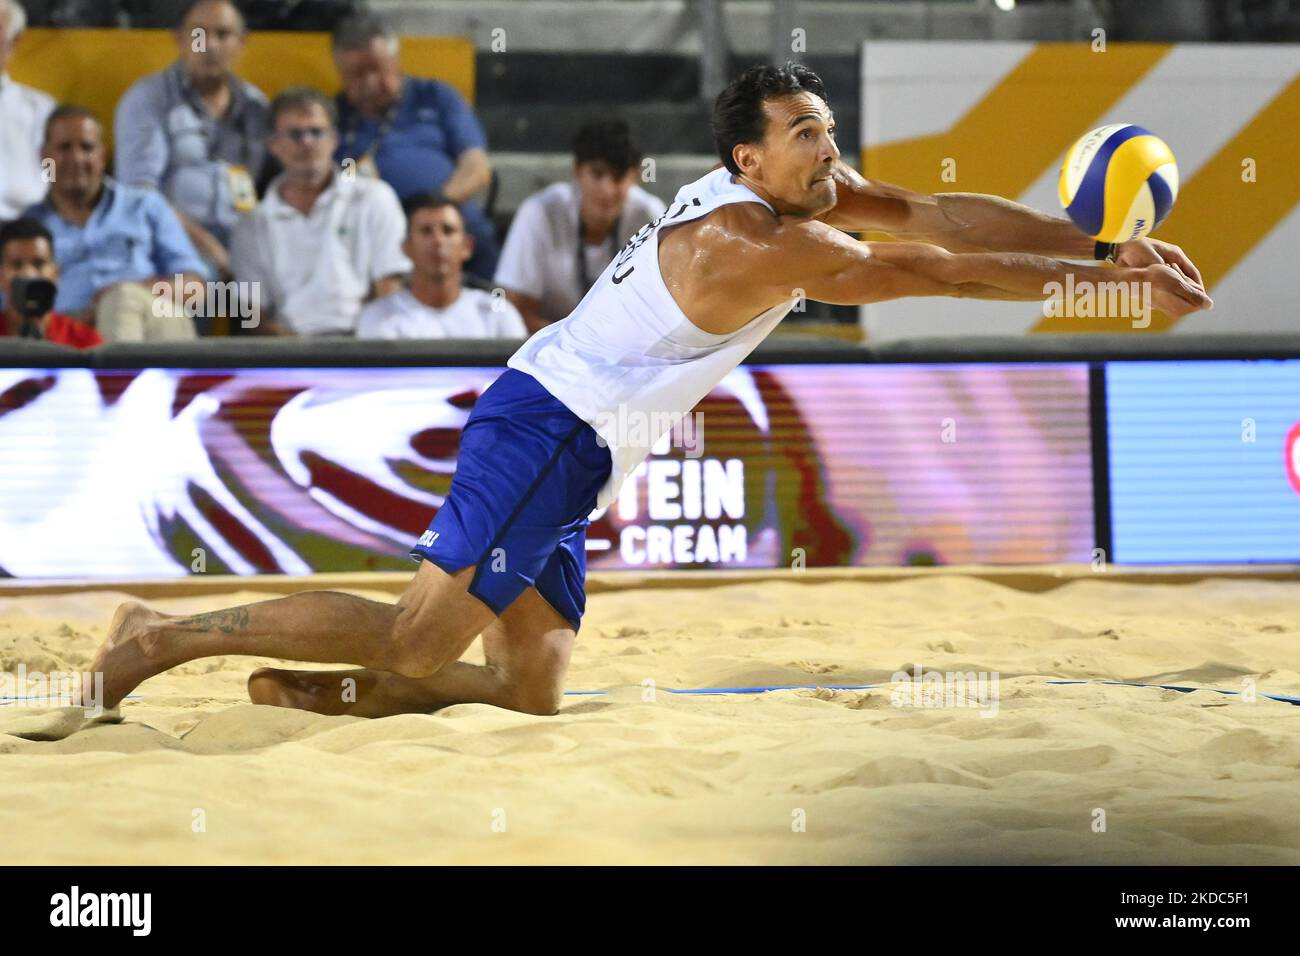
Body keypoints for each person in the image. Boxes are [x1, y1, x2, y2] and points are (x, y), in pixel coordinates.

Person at [82, 64, 1211, 720]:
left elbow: (943, 217)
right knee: (423, 641)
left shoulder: (796, 200)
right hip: (550, 425)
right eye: (803, 137)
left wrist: (1092, 235)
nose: (828, 153)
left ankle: (318, 697)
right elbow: (936, 270)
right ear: (744, 165)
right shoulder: (745, 240)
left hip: (583, 441)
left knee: (528, 689)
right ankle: (157, 637)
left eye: (826, 131)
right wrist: (1102, 276)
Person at [330, 11, 499, 283]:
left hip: (450, 222)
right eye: (357, 74)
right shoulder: (333, 118)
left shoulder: (435, 96)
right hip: (374, 239)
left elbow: (477, 168)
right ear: (340, 74)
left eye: (377, 68)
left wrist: (429, 214)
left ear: (396, 62)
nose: (370, 83)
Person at [228, 87, 410, 336]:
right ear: (273, 144)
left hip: (370, 345)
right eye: (295, 134)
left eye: (316, 132)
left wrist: (362, 348)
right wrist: (302, 358)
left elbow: (390, 287)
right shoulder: (252, 224)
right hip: (291, 354)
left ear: (333, 139)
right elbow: (253, 314)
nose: (307, 143)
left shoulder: (374, 197)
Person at [114, 0, 269, 278]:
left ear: (242, 43)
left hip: (247, 236)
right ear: (180, 40)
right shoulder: (149, 98)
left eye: (223, 35)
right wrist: (207, 245)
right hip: (173, 237)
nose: (210, 45)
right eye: (198, 34)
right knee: (196, 278)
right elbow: (139, 194)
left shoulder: (256, 105)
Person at [25, 106, 207, 342]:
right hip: (66, 335)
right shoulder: (28, 229)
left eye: (87, 147)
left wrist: (133, 291)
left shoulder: (145, 206)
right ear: (44, 156)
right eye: (64, 148)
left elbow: (196, 290)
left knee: (121, 301)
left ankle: (115, 376)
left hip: (150, 321)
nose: (77, 158)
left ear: (102, 156)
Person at [495, 119, 666, 334]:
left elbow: (663, 307)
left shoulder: (650, 215)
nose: (607, 190)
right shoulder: (540, 212)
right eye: (597, 174)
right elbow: (513, 309)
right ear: (576, 170)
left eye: (618, 177)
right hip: (549, 347)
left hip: (622, 346)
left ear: (635, 177)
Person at [357, 193, 525, 340]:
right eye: (426, 231)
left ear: (467, 247)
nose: (438, 241)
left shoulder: (497, 314)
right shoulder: (379, 316)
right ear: (406, 248)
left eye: (448, 230)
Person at [0, 218, 100, 347]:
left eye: (39, 264)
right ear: (1, 276)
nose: (29, 274)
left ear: (55, 273)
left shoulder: (85, 343)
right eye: (17, 265)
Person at [0, 0, 55, 221]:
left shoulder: (39, 108)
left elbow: (51, 165)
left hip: (27, 228)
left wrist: (51, 186)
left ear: (14, 42)